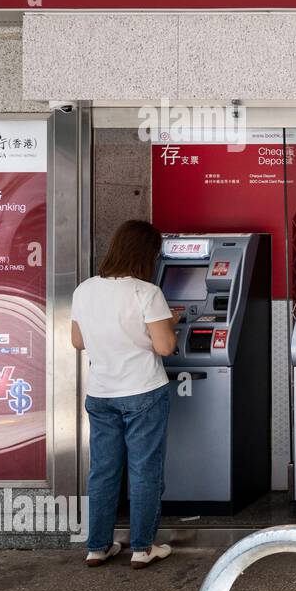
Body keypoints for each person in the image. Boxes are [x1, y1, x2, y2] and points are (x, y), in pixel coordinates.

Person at [71, 219, 177, 569]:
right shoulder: (146, 293)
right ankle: (143, 548)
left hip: (101, 393)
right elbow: (164, 347)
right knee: (144, 469)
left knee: (102, 470)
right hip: (143, 391)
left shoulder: (84, 290)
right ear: (147, 255)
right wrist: (169, 322)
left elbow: (78, 341)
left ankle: (97, 546)